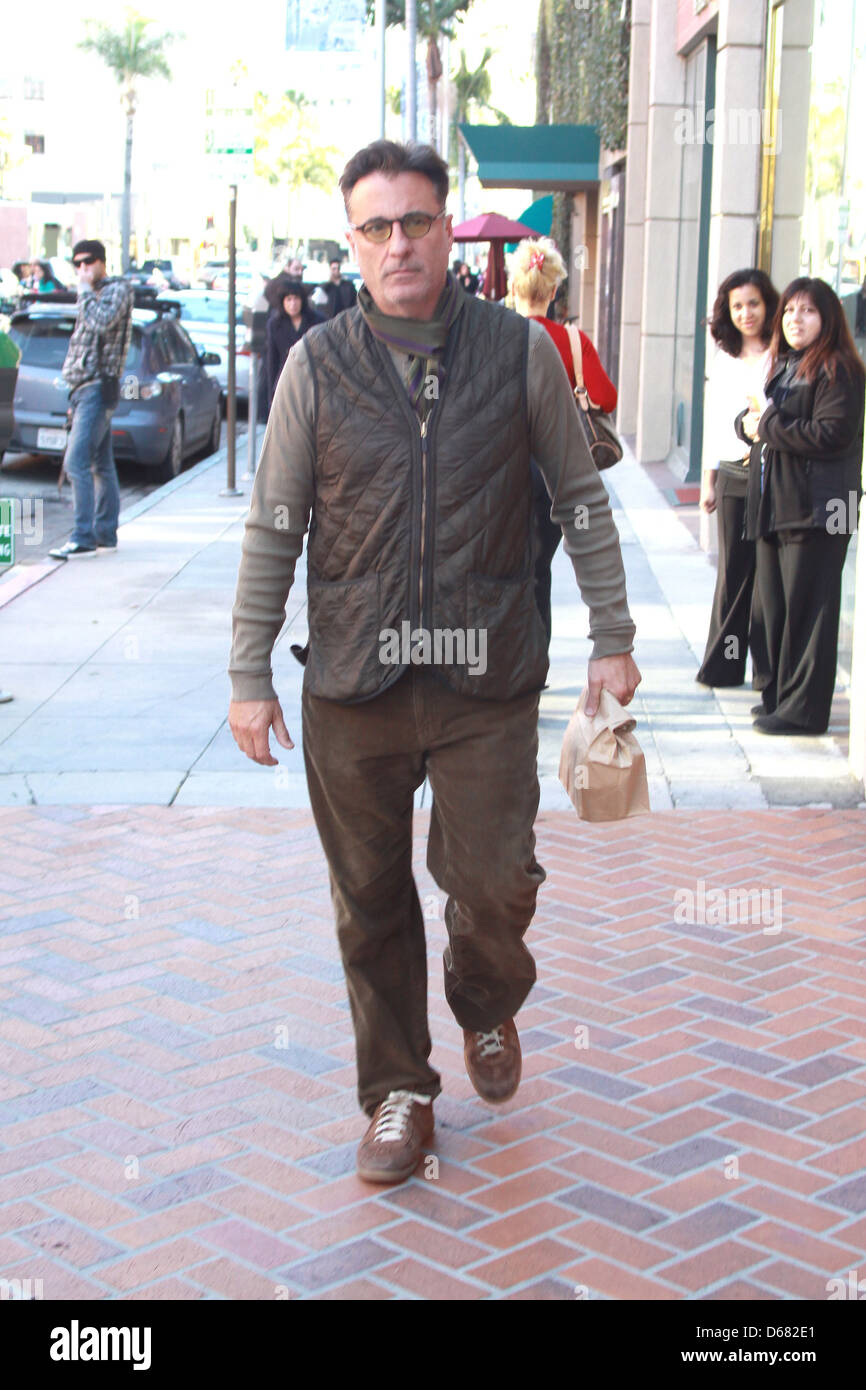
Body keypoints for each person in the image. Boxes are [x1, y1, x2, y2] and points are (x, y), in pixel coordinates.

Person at [227, 139, 639, 1185]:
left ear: (445, 227)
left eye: (415, 220)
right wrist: (246, 672)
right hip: (352, 684)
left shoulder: (517, 351)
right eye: (375, 226)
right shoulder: (318, 365)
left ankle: (484, 997)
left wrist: (612, 636)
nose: (397, 241)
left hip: (483, 673)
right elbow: (275, 523)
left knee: (494, 885)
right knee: (367, 898)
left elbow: (579, 497)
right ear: (352, 242)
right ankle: (398, 1092)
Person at [740, 276, 865, 735]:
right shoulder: (786, 364)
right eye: (790, 311)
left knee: (810, 610)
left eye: (808, 311)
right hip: (777, 505)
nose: (796, 319)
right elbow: (761, 417)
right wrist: (750, 423)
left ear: (827, 318)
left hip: (821, 509)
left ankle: (805, 711)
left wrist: (768, 422)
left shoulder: (840, 369)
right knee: (774, 607)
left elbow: (831, 435)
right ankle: (779, 696)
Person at [510, 236, 617, 645]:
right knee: (539, 569)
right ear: (553, 291)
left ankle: (505, 659)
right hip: (554, 475)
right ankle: (534, 659)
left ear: (513, 289)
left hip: (498, 470)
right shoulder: (573, 341)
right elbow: (606, 397)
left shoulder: (494, 335)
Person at [696, 269, 778, 689]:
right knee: (732, 572)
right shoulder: (723, 357)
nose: (747, 313)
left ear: (768, 305)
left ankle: (766, 674)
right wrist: (708, 481)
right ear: (728, 312)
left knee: (766, 577)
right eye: (738, 306)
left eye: (754, 303)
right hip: (732, 474)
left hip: (774, 478)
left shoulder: (782, 354)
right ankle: (724, 666)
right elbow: (712, 421)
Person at [48, 239, 133, 560]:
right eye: (77, 264)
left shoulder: (117, 290)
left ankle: (83, 536)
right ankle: (105, 534)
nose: (82, 269)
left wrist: (83, 291)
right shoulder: (91, 294)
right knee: (100, 464)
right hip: (84, 389)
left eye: (88, 262)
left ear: (101, 262)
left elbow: (101, 323)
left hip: (100, 386)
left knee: (75, 462)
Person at [264, 280, 323, 410]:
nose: (293, 304)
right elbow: (272, 361)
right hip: (286, 381)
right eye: (288, 299)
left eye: (296, 299)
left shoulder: (317, 321)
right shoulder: (275, 325)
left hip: (312, 382)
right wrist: (271, 397)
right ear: (283, 302)